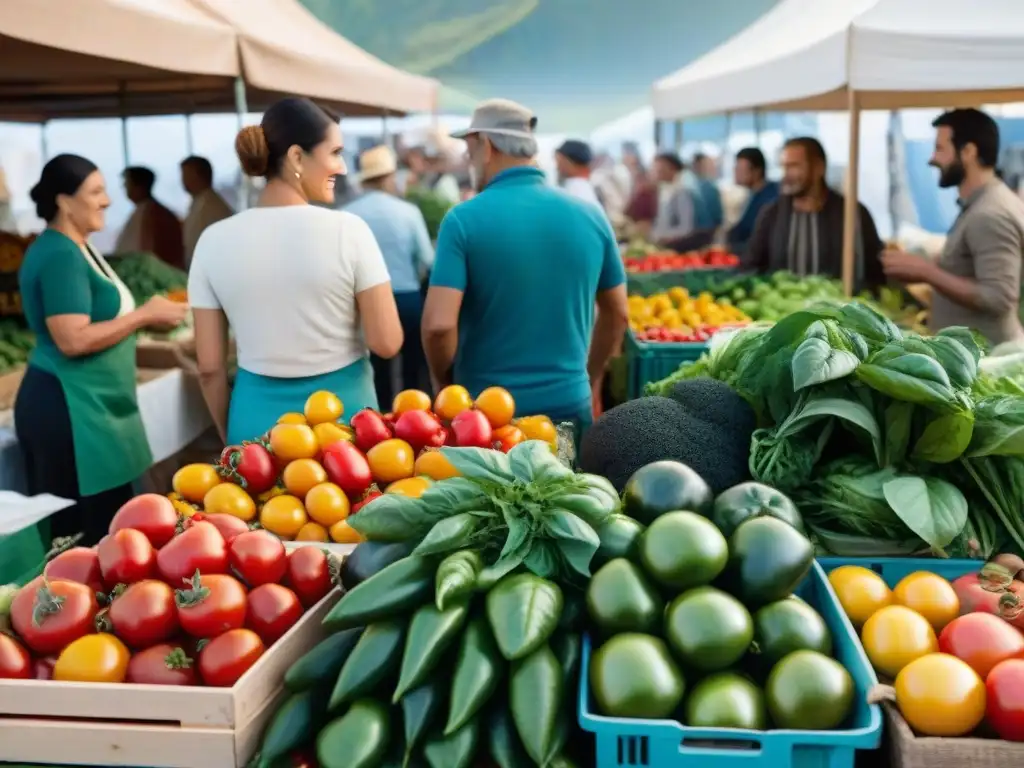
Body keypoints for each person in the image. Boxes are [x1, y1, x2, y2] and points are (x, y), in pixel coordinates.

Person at [188, 98, 403, 444]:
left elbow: (210, 369)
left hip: (256, 426)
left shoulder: (211, 240)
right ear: (297, 157)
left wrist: (233, 436)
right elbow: (387, 342)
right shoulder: (349, 230)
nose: (343, 168)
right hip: (345, 424)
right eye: (334, 153)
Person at [422, 99, 628, 436]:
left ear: (486, 146)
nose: (467, 160)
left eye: (469, 150)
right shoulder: (591, 216)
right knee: (565, 487)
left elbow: (438, 326)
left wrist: (445, 384)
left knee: (492, 491)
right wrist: (589, 377)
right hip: (567, 409)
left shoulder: (462, 220)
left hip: (485, 418)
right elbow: (617, 314)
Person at [15, 155, 189, 543]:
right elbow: (72, 339)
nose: (107, 200)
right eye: (95, 192)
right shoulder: (60, 255)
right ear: (64, 201)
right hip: (71, 409)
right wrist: (144, 315)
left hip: (94, 408)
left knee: (112, 529)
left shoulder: (77, 247)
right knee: (85, 538)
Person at [882, 109, 1024, 345]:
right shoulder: (981, 204)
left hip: (985, 362)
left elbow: (998, 297)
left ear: (968, 151)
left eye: (940, 148)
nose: (932, 159)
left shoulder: (990, 213)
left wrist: (927, 272)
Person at [345, 145, 434, 406]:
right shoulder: (408, 212)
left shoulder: (349, 214)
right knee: (412, 369)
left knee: (376, 370)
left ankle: (379, 424)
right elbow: (428, 260)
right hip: (407, 297)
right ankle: (413, 421)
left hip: (365, 301)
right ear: (388, 176)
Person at [744, 137, 884, 289]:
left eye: (793, 166)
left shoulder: (853, 214)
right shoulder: (771, 214)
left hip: (839, 309)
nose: (786, 174)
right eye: (784, 167)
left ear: (819, 168)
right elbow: (750, 266)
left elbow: (875, 273)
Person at [114, 166, 185, 270]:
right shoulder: (145, 211)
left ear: (139, 186)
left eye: (127, 184)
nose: (125, 188)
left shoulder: (156, 214)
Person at [180, 156, 233, 270]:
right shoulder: (198, 202)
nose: (182, 180)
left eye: (186, 174)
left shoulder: (212, 206)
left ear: (199, 175)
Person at [727, 147, 781, 254]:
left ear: (757, 171)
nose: (736, 173)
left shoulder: (770, 199)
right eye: (735, 168)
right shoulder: (753, 195)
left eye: (740, 169)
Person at [650, 152, 697, 250]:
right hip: (663, 244)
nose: (656, 172)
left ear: (672, 169)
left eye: (660, 169)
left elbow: (686, 228)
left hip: (679, 247)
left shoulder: (682, 191)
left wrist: (661, 236)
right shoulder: (665, 189)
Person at [555, 139, 604, 212]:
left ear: (567, 162)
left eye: (559, 161)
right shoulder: (585, 188)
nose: (557, 167)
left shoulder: (575, 189)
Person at [691, 152, 725, 233]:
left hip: (705, 230)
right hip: (696, 230)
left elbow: (717, 215)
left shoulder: (710, 187)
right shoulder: (690, 185)